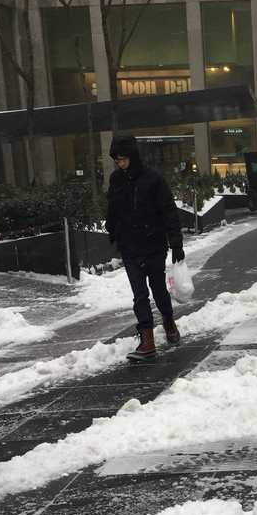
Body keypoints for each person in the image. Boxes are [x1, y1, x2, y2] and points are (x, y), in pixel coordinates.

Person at [106, 136, 185, 361]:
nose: (119, 163)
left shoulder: (154, 179)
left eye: (122, 159)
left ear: (132, 156)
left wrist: (176, 243)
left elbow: (169, 211)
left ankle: (168, 322)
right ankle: (147, 340)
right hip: (129, 246)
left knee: (158, 289)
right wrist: (112, 230)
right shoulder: (116, 180)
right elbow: (112, 208)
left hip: (153, 244)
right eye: (116, 160)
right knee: (139, 294)